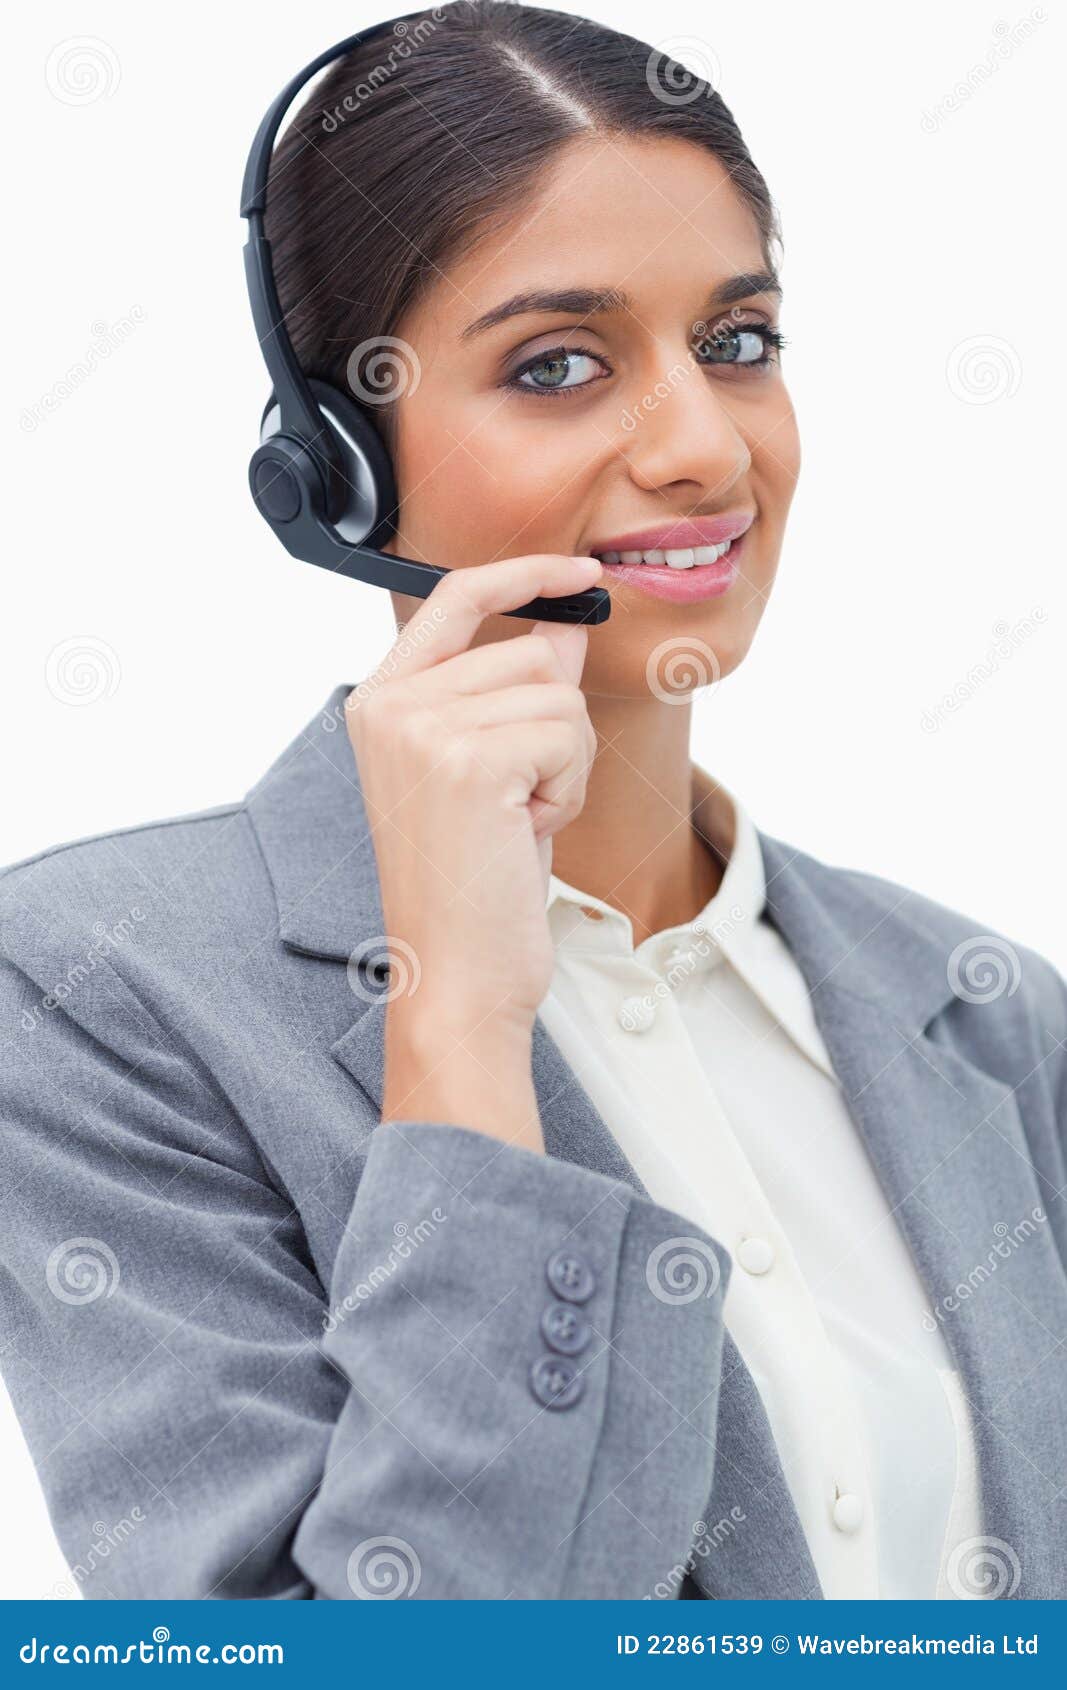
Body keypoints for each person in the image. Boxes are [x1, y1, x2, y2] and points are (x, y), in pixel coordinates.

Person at [1, 0, 1064, 1601]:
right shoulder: (94, 991)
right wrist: (457, 1030)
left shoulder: (985, 1011)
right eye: (558, 365)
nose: (703, 448)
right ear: (339, 465)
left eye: (737, 343)